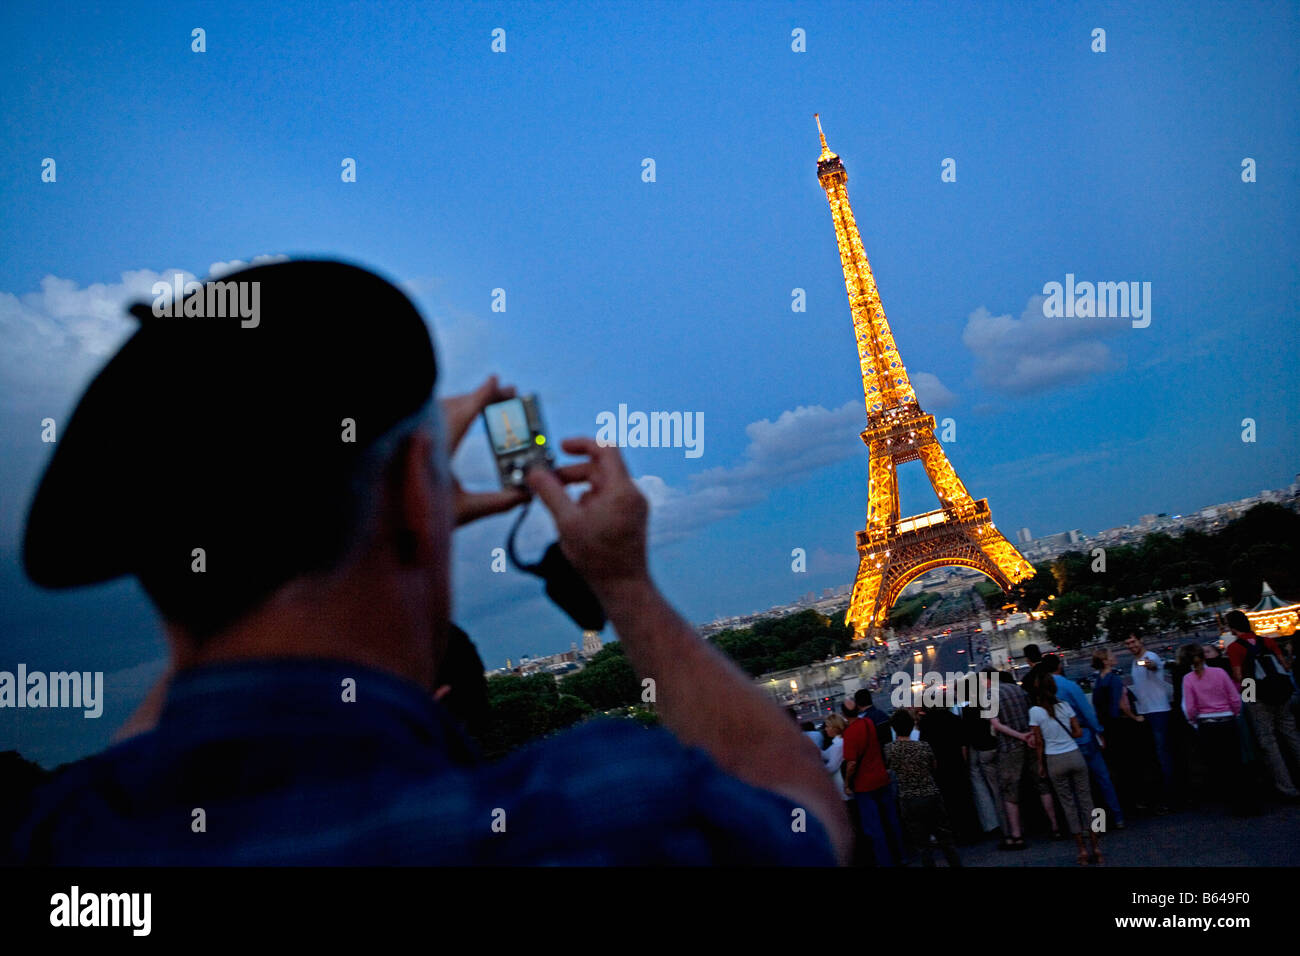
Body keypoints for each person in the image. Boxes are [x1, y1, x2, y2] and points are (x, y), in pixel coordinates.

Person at [10, 260, 851, 865]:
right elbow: (809, 820)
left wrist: (406, 485)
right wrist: (624, 584)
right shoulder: (604, 813)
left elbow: (187, 667)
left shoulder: (59, 840)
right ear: (422, 504)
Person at [1027, 670, 1102, 866]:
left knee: (1068, 805)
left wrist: (1041, 765)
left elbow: (1039, 742)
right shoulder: (1065, 706)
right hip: (1074, 755)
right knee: (1088, 802)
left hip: (1054, 760)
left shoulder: (1035, 712)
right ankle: (1097, 847)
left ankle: (1082, 851)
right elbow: (1077, 732)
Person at [1224, 610, 1300, 799]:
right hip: (1280, 691)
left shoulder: (1234, 648)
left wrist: (1247, 698)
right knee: (1292, 735)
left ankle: (1286, 787)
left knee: (1267, 741)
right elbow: (1284, 665)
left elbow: (1239, 677)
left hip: (1254, 691)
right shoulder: (1267, 641)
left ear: (1233, 627)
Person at [1044, 654, 1125, 830]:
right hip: (1084, 736)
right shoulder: (1070, 686)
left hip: (1062, 742)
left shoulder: (1045, 691)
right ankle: (1116, 816)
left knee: (1080, 789)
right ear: (1059, 666)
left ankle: (1091, 825)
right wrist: (1099, 731)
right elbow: (1087, 712)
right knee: (1102, 779)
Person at [988, 669, 1057, 848]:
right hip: (1031, 742)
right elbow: (1031, 714)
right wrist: (1029, 736)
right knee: (1042, 783)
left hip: (1010, 747)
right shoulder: (1017, 689)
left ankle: (1017, 835)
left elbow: (996, 725)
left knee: (1010, 791)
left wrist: (1019, 736)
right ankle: (1055, 826)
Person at [883, 710, 961, 867]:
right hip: (931, 793)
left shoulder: (890, 749)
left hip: (908, 797)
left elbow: (890, 767)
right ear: (912, 726)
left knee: (922, 844)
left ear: (894, 728)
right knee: (945, 839)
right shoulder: (924, 746)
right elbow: (934, 766)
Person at [1178, 643, 1250, 813]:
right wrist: (1235, 713)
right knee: (1235, 761)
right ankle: (1247, 800)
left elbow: (1190, 707)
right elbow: (1234, 697)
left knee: (1219, 764)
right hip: (1227, 719)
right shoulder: (1219, 672)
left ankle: (1232, 803)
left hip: (1207, 723)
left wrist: (1193, 721)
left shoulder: (1188, 679)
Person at [842, 693, 903, 866]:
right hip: (881, 776)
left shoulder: (849, 733)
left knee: (874, 827)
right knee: (892, 819)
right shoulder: (869, 723)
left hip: (864, 784)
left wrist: (847, 784)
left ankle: (885, 861)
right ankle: (901, 854)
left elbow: (852, 763)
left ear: (845, 715)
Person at [1091, 647, 1145, 816]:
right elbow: (1120, 704)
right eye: (1111, 655)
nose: (1114, 656)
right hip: (1119, 725)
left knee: (1117, 766)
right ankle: (1137, 802)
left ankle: (1124, 803)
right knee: (1131, 764)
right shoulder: (1114, 679)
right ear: (1106, 661)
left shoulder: (1099, 681)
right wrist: (1135, 717)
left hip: (1106, 726)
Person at [1123, 633, 1175, 807]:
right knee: (1158, 754)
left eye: (1133, 642)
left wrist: (1143, 662)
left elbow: (1153, 665)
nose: (1131, 646)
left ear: (1141, 641)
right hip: (1147, 711)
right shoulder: (1135, 662)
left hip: (1159, 710)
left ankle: (1170, 795)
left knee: (1162, 754)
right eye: (1128, 644)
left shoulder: (1149, 657)